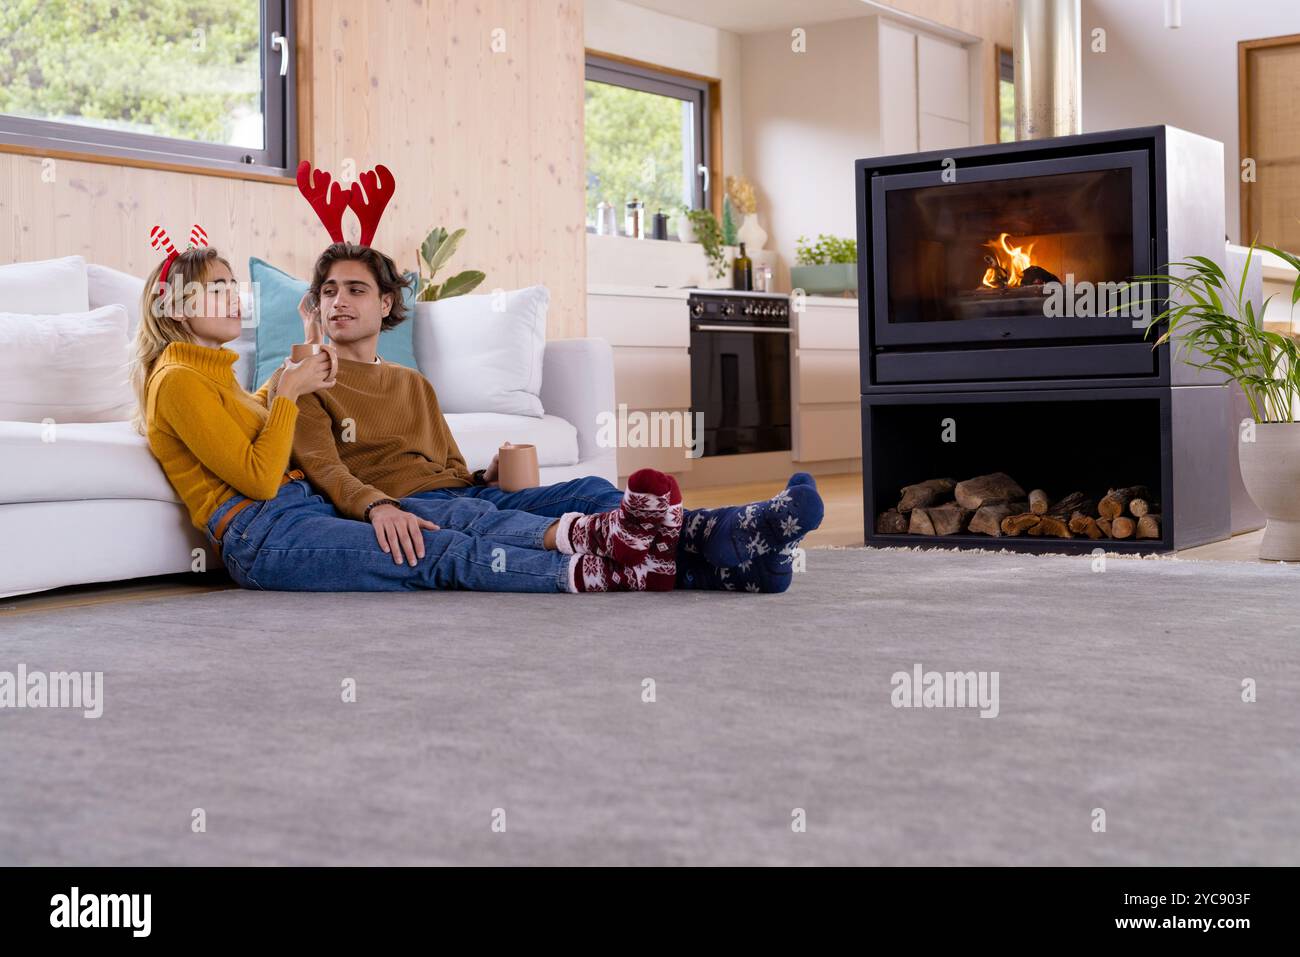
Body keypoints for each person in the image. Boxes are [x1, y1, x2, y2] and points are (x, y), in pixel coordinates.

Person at [134, 237, 679, 593]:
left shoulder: (212, 376)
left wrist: (303, 349)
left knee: (494, 516)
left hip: (296, 510)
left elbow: (265, 413)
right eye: (217, 288)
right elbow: (257, 472)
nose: (235, 298)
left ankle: (669, 539)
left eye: (233, 285)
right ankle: (596, 566)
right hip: (259, 531)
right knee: (438, 547)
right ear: (177, 307)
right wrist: (289, 395)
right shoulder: (178, 382)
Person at [283, 240, 825, 594]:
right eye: (328, 291)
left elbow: (449, 467)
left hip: (464, 495)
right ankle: (729, 534)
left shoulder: (412, 384)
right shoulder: (304, 379)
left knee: (587, 487)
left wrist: (485, 477)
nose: (339, 302)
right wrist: (377, 507)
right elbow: (325, 470)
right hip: (412, 508)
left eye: (355, 289)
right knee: (495, 524)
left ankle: (734, 558)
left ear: (385, 305)